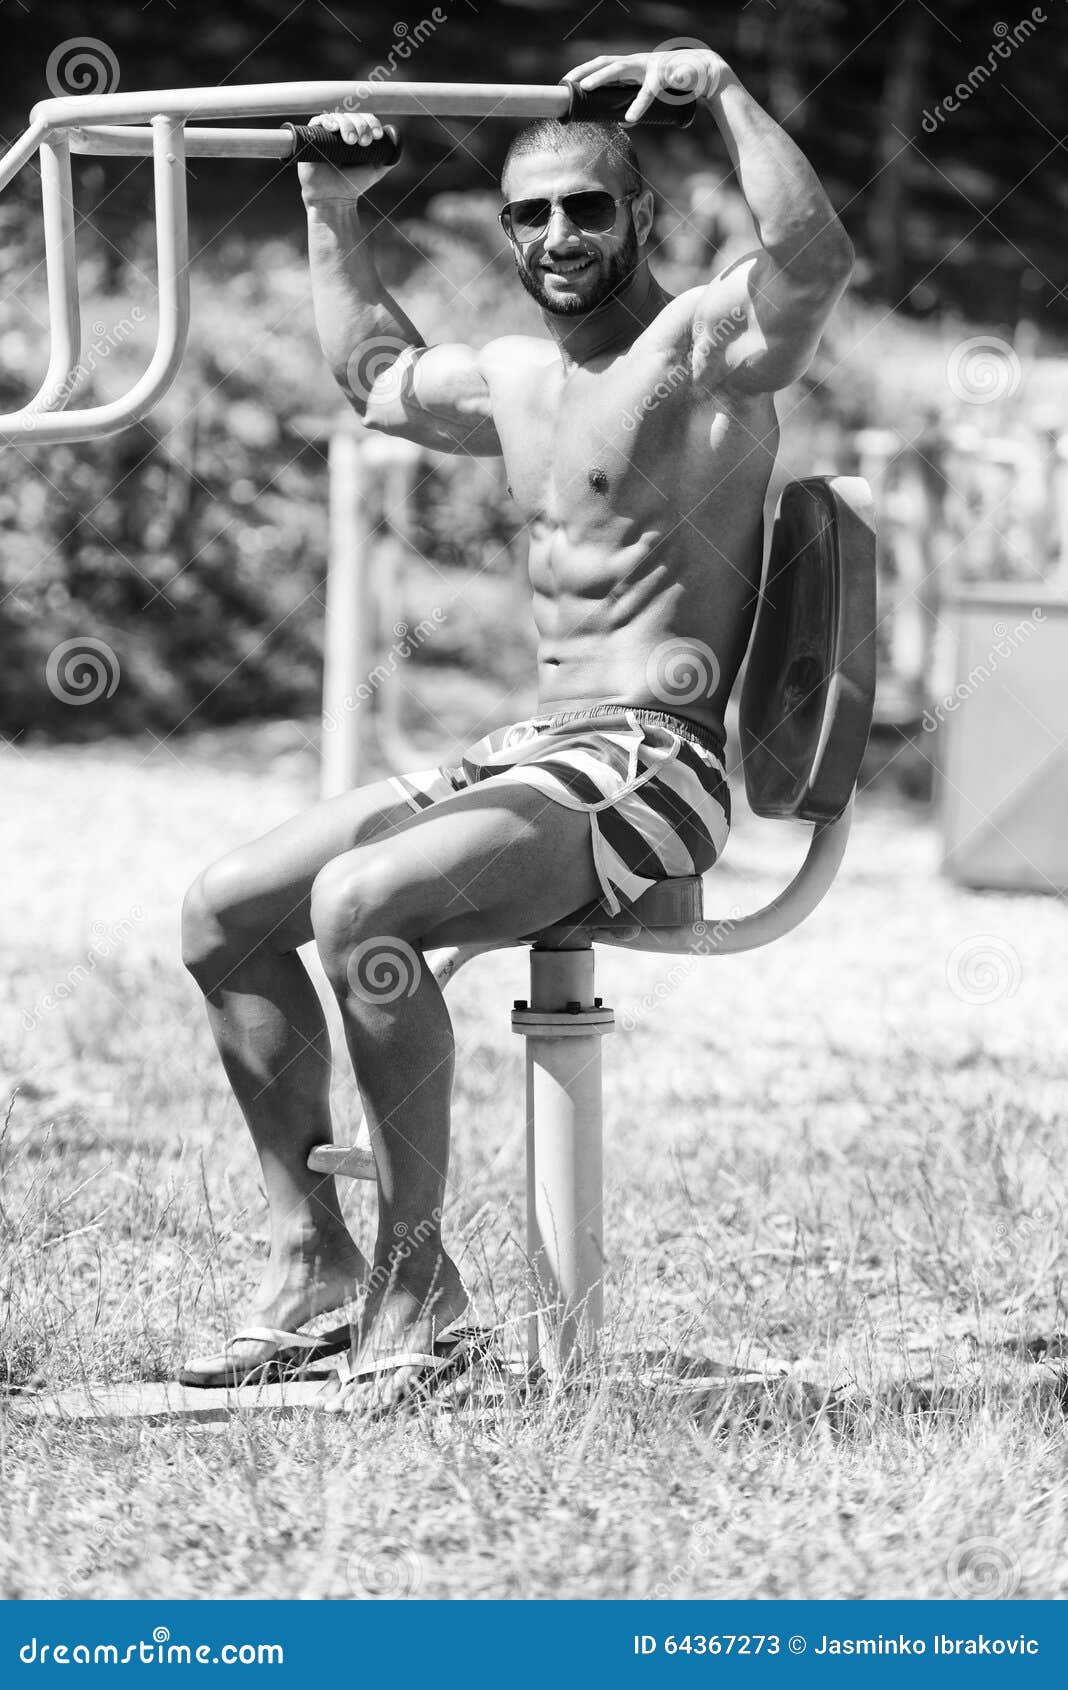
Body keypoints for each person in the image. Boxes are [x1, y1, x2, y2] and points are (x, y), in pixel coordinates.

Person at [180, 47, 853, 1410]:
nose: (557, 236)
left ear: (643, 218)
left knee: (365, 901)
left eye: (587, 209)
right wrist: (331, 205)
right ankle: (313, 1261)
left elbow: (813, 259)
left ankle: (418, 1286)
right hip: (539, 746)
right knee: (226, 910)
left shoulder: (702, 351)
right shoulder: (514, 380)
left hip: (655, 762)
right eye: (529, 215)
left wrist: (719, 92)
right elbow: (375, 374)